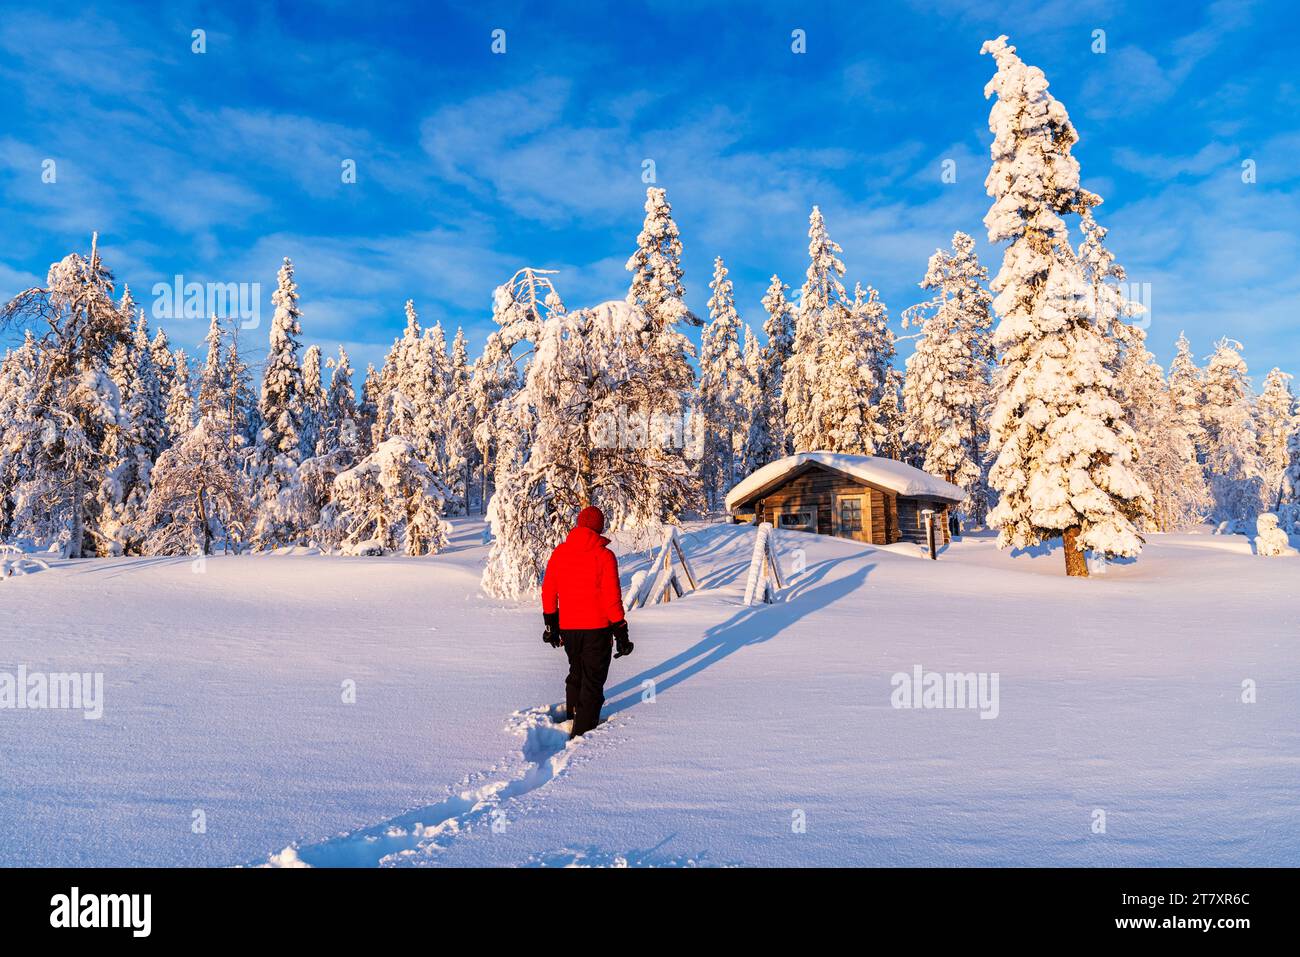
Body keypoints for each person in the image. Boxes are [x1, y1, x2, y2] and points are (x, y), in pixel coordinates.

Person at [541, 505, 633, 737]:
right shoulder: (604, 556)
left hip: (569, 630)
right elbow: (612, 598)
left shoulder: (560, 553)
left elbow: (549, 591)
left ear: (579, 525)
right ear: (599, 528)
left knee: (577, 673)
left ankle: (573, 716)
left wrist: (551, 625)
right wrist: (621, 631)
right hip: (597, 630)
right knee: (592, 682)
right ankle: (581, 734)